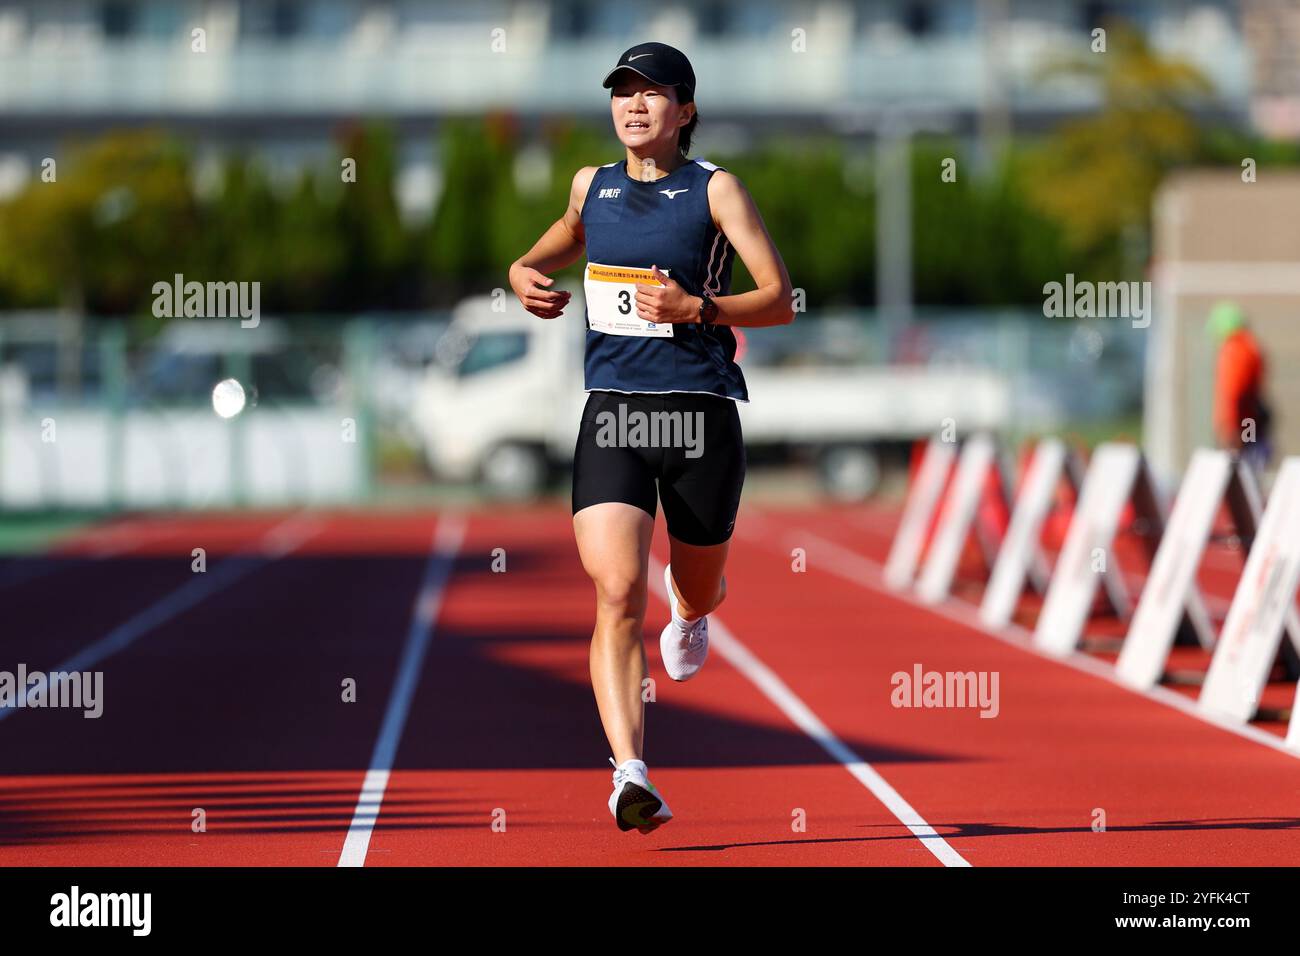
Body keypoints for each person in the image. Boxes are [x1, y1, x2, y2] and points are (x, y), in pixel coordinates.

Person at [508, 41, 794, 833]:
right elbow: (567, 234)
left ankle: (695, 607)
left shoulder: (716, 190)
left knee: (694, 584)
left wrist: (699, 309)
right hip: (617, 414)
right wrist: (525, 269)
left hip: (700, 412)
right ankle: (629, 774)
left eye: (653, 93)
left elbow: (777, 300)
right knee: (614, 591)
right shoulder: (589, 185)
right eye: (623, 93)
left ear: (686, 109)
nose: (634, 106)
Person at [1208, 301, 1272, 471]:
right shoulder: (1252, 347)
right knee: (1250, 468)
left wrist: (1230, 429)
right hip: (1249, 421)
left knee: (1242, 473)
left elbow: (1233, 392)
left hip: (1241, 423)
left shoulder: (1235, 350)